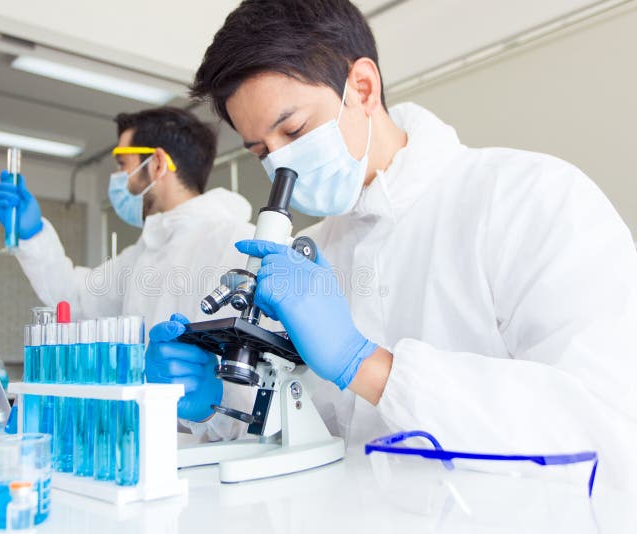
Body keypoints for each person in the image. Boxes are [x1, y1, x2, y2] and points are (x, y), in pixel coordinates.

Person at [145, 0, 637, 490]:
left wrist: (368, 365)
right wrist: (214, 406)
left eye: (293, 130)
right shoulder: (309, 255)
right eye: (261, 151)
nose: (280, 164)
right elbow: (306, 432)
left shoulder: (529, 198)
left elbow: (606, 428)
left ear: (362, 87)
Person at [0, 106, 255, 330]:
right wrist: (34, 235)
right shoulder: (144, 254)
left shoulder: (236, 243)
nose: (117, 179)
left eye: (122, 164)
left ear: (157, 164)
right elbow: (75, 300)